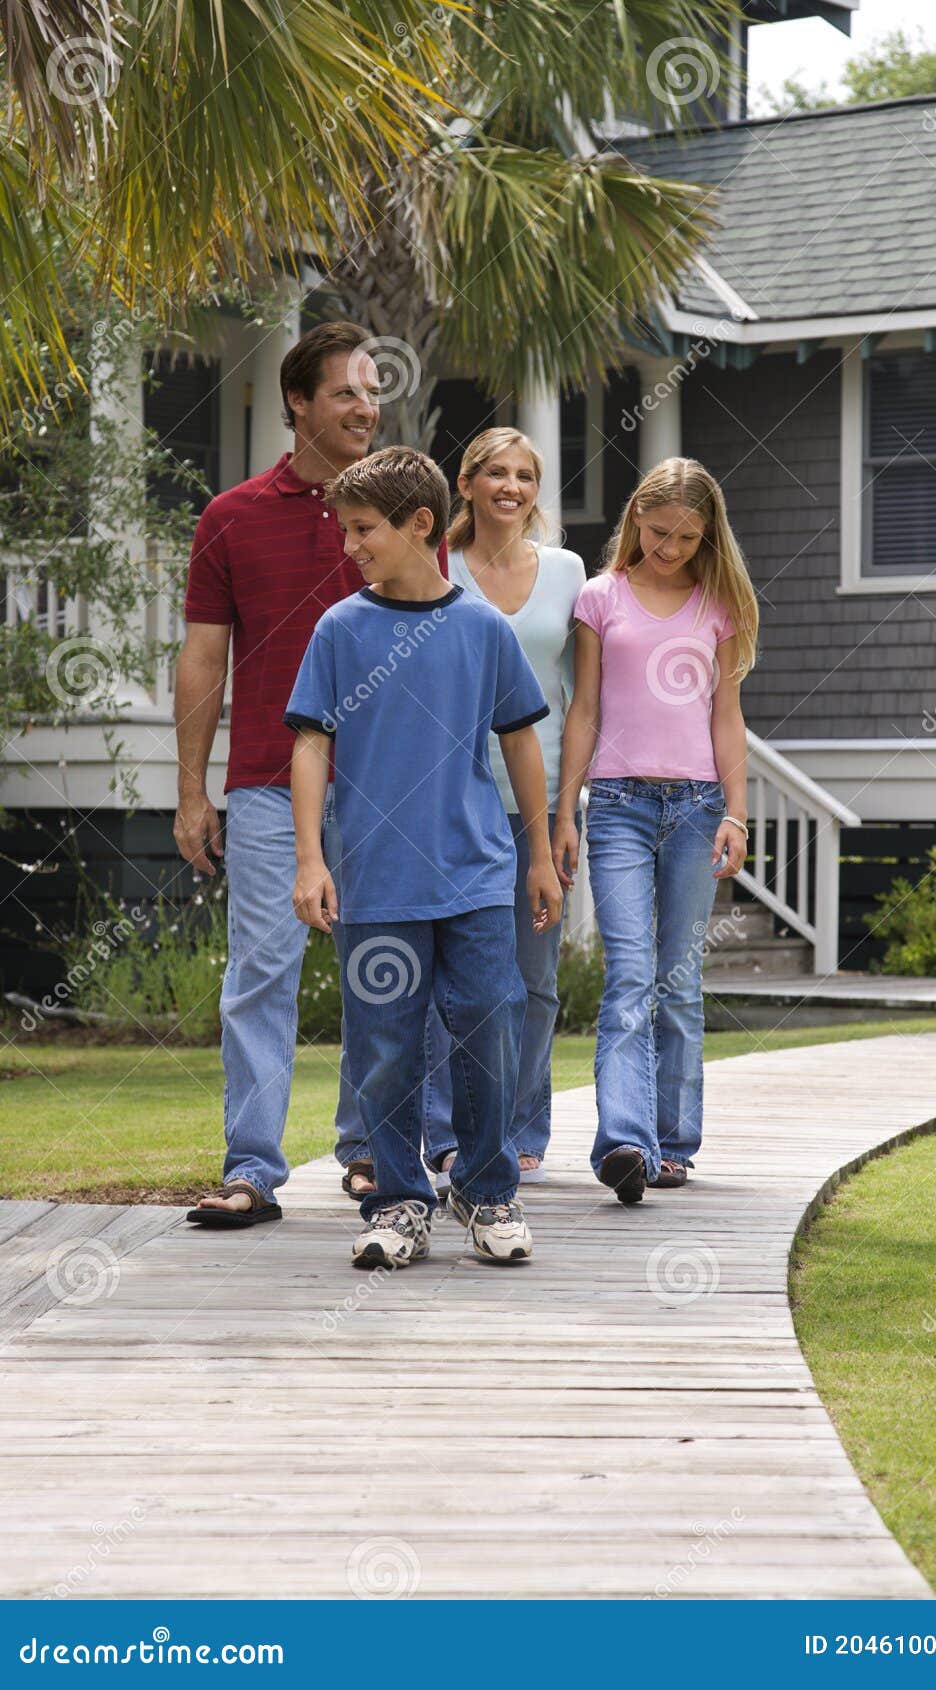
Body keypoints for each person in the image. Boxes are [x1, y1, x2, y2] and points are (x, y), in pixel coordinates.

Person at [178, 321, 447, 1226]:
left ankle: (370, 1152)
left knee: (386, 971)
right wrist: (190, 789)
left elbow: (434, 646)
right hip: (262, 780)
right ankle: (253, 1168)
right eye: (345, 393)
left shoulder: (409, 514)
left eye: (374, 392)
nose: (366, 407)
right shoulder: (232, 517)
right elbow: (203, 658)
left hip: (389, 786)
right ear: (298, 402)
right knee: (261, 972)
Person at [285, 446, 563, 1269]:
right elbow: (308, 745)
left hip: (476, 875)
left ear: (418, 525)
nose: (350, 546)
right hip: (376, 884)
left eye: (363, 529)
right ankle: (399, 1201)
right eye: (346, 529)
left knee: (489, 1026)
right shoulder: (341, 628)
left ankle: (484, 1189)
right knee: (385, 1044)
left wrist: (539, 855)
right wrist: (311, 859)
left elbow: (522, 742)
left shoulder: (481, 629)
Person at [552, 457, 758, 1205]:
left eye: (687, 537)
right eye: (660, 531)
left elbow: (725, 719)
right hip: (615, 807)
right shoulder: (599, 598)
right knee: (630, 974)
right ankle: (624, 1142)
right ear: (637, 516)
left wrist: (735, 811)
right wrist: (563, 813)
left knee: (677, 982)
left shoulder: (718, 606)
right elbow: (583, 711)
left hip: (698, 806)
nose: (671, 548)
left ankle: (672, 1145)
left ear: (708, 537)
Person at [420, 427, 586, 1190]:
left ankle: (522, 1128)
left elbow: (580, 700)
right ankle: (445, 1134)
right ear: (466, 483)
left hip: (538, 800)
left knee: (532, 976)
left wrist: (564, 816)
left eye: (524, 475)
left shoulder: (566, 571)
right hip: (448, 800)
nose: (510, 486)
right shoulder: (433, 566)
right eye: (494, 472)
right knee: (445, 980)